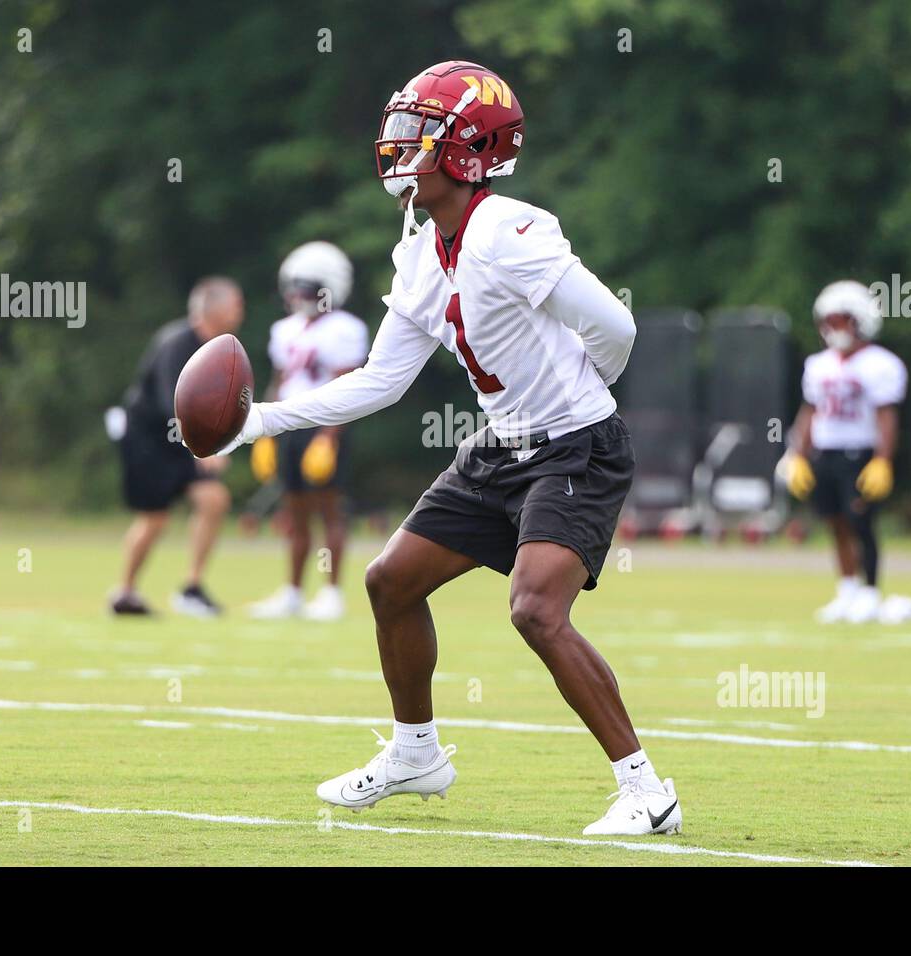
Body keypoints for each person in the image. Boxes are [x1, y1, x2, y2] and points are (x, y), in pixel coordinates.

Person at [219, 61, 678, 836]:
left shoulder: (510, 231)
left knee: (535, 609)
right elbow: (380, 383)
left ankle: (646, 790)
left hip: (576, 447)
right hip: (502, 447)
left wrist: (576, 397)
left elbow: (616, 328)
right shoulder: (420, 253)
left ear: (468, 148)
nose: (400, 144)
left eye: (420, 129)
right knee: (390, 581)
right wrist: (260, 420)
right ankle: (415, 754)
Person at [248, 242, 369, 621]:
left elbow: (346, 387)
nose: (297, 295)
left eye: (307, 286)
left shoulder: (345, 329)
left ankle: (331, 592)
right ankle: (294, 592)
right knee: (294, 511)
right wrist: (263, 429)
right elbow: (280, 380)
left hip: (324, 426)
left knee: (330, 511)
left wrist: (328, 437)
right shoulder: (284, 329)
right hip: (289, 426)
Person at [109, 277, 243, 617]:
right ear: (216, 309)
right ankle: (124, 592)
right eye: (236, 305)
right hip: (150, 441)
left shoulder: (220, 347)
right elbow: (175, 403)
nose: (241, 312)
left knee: (214, 500)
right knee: (155, 519)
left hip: (183, 442)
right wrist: (206, 447)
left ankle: (192, 588)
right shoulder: (177, 342)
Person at [779, 281, 906, 623]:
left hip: (860, 453)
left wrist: (883, 459)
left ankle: (870, 591)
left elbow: (886, 416)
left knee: (861, 523)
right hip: (826, 453)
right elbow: (809, 412)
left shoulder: (880, 364)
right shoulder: (819, 364)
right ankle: (847, 589)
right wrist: (797, 455)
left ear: (860, 321)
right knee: (835, 523)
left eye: (841, 320)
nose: (833, 328)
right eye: (828, 321)